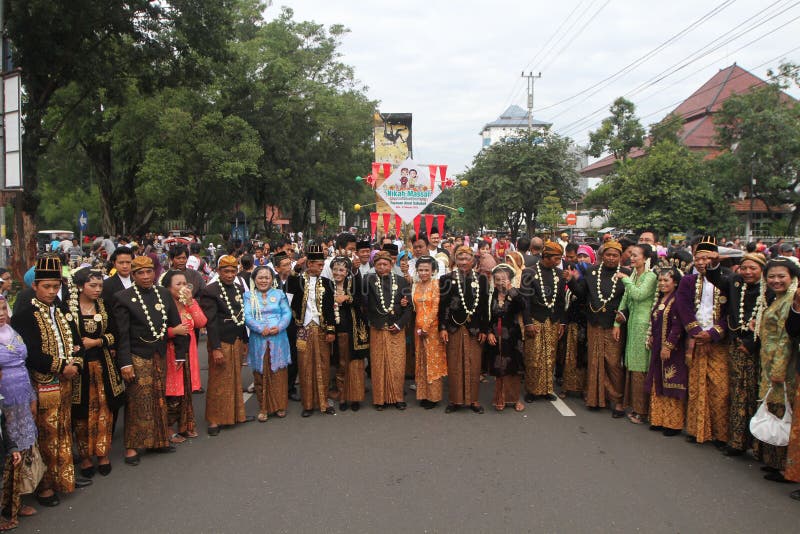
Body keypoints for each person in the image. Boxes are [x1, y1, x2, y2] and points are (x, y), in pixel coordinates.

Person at [11, 255, 89, 506]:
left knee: (64, 430)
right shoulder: (25, 315)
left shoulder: (63, 309)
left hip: (66, 382)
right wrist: (60, 367)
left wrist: (75, 364)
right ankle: (44, 486)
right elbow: (31, 352)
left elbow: (77, 342)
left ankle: (64, 477)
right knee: (45, 435)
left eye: (56, 287)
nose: (52, 291)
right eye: (47, 286)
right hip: (42, 384)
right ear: (34, 287)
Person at [114, 256, 187, 465]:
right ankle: (132, 447)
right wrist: (125, 363)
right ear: (133, 275)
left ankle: (159, 440)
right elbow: (122, 334)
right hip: (137, 356)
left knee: (158, 398)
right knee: (137, 401)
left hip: (159, 355)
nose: (146, 277)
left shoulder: (163, 293)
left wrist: (180, 354)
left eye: (149, 272)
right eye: (140, 273)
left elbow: (177, 324)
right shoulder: (123, 298)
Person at [705, 251, 772, 456]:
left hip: (758, 350)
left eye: (753, 268)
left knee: (754, 395)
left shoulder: (770, 290)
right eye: (745, 268)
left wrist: (752, 343)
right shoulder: (735, 282)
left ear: (762, 270)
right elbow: (715, 278)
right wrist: (714, 265)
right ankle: (737, 442)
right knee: (737, 393)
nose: (748, 272)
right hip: (735, 345)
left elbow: (770, 323)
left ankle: (759, 445)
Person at [68, 268, 125, 478]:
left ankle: (103, 454)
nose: (97, 289)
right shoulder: (68, 309)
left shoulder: (104, 306)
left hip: (102, 366)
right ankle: (84, 458)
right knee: (81, 415)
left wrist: (97, 341)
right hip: (79, 371)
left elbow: (115, 334)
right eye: (92, 285)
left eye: (100, 285)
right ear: (80, 286)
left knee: (104, 411)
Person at [675, 236, 730, 446]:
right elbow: (683, 307)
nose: (701, 262)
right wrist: (696, 331)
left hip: (718, 342)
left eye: (706, 258)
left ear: (715, 259)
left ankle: (720, 434)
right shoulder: (689, 281)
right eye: (698, 258)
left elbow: (730, 310)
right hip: (696, 340)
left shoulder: (727, 278)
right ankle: (697, 429)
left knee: (719, 388)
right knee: (696, 386)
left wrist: (715, 333)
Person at [568, 240, 630, 416]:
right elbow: (581, 293)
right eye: (608, 255)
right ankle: (595, 398)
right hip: (594, 323)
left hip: (614, 325)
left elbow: (630, 299)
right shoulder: (592, 271)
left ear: (620, 257)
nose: (611, 258)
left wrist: (622, 316)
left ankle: (617, 401)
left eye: (615, 255)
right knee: (595, 360)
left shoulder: (626, 274)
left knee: (613, 363)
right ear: (602, 256)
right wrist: (572, 281)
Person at [756, 258, 799, 483]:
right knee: (776, 410)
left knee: (784, 410)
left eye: (781, 276)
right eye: (771, 276)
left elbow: (785, 339)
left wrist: (779, 369)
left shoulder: (791, 300)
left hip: (783, 367)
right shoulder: (778, 298)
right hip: (769, 362)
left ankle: (785, 466)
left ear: (792, 277)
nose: (775, 280)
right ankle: (778, 462)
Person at [201, 255, 253, 434]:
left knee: (235, 378)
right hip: (220, 341)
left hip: (237, 340)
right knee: (218, 380)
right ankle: (214, 420)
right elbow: (211, 322)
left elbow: (242, 317)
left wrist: (245, 341)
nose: (230, 275)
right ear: (218, 271)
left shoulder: (238, 288)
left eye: (233, 271)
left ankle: (236, 415)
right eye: (226, 271)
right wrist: (215, 348)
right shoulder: (210, 290)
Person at [0, 296, 37, 528]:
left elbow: (23, 363)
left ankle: (16, 501)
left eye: (3, 308)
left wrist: (32, 396)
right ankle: (5, 509)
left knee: (21, 450)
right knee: (7, 451)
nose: (1, 313)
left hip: (22, 393)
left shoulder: (11, 332)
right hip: (4, 402)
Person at [287, 245, 337, 417]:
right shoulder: (299, 281)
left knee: (323, 365)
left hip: (321, 328)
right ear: (310, 264)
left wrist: (331, 330)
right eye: (318, 264)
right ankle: (308, 404)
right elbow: (289, 285)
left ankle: (324, 402)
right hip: (303, 328)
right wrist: (296, 268)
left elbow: (330, 308)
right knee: (305, 365)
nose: (321, 268)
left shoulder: (328, 283)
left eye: (322, 265)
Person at [439, 246, 489, 413]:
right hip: (454, 327)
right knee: (454, 364)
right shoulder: (446, 279)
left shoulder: (482, 279)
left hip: (474, 329)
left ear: (472, 260)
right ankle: (455, 401)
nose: (463, 262)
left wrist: (484, 329)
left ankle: (474, 401)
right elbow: (443, 305)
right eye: (460, 259)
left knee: (474, 365)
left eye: (466, 259)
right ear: (455, 260)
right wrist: (443, 327)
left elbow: (483, 306)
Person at [614, 244, 657, 424]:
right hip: (632, 324)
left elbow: (639, 295)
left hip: (644, 325)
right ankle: (633, 405)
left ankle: (642, 410)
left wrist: (625, 280)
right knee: (631, 365)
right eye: (631, 255)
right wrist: (617, 322)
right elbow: (626, 298)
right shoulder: (634, 275)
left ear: (646, 258)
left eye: (636, 255)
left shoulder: (651, 277)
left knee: (641, 367)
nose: (632, 258)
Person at [364, 251, 412, 410]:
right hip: (377, 328)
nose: (382, 267)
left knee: (397, 365)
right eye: (379, 264)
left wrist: (399, 324)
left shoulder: (402, 281)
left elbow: (409, 307)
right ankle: (379, 400)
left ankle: (398, 398)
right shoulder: (368, 280)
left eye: (385, 264)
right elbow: (363, 304)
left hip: (396, 329)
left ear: (391, 265)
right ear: (374, 266)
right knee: (378, 365)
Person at [162, 270, 206, 441]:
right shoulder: (163, 305)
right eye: (178, 284)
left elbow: (202, 322)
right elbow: (155, 332)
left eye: (184, 284)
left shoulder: (188, 303)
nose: (182, 287)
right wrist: (174, 331)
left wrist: (191, 302)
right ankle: (167, 428)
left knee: (186, 390)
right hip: (170, 353)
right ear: (167, 288)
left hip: (190, 352)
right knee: (173, 392)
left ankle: (185, 425)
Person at [243, 266, 292, 421]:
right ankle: (263, 407)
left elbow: (287, 313)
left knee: (279, 374)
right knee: (260, 374)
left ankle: (280, 406)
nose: (264, 280)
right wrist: (259, 328)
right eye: (260, 277)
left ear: (272, 279)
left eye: (267, 277)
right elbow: (247, 315)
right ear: (254, 279)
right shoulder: (248, 296)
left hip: (278, 338)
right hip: (259, 339)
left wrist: (279, 327)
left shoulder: (279, 294)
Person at [520, 241, 566, 402]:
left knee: (550, 355)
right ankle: (532, 390)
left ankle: (547, 389)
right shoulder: (528, 272)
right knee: (534, 355)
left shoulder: (559, 274)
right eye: (556, 258)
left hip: (552, 320)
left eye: (560, 258)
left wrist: (562, 322)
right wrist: (528, 323)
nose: (558, 261)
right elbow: (524, 300)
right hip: (535, 319)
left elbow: (561, 301)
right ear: (546, 256)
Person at [645, 265, 688, 436]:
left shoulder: (677, 300)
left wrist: (668, 345)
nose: (662, 283)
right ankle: (657, 419)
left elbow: (678, 326)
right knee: (658, 381)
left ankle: (673, 424)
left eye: (666, 280)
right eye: (660, 280)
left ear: (675, 282)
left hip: (672, 350)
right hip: (657, 348)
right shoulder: (661, 300)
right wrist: (651, 337)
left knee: (672, 382)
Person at [486, 264, 528, 412]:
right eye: (497, 279)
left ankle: (514, 399)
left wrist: (510, 290)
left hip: (512, 337)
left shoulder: (515, 293)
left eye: (503, 279)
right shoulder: (491, 295)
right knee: (499, 369)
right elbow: (488, 317)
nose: (499, 282)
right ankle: (500, 399)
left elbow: (523, 305)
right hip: (496, 337)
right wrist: (489, 332)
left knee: (514, 368)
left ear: (510, 279)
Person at [330, 257, 368, 412]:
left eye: (341, 270)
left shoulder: (353, 283)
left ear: (347, 272)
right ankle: (343, 395)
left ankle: (356, 398)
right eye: (335, 269)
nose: (338, 273)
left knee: (355, 365)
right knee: (341, 364)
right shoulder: (327, 285)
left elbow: (361, 299)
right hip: (337, 332)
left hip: (354, 330)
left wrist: (347, 297)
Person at [412, 256, 447, 409]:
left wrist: (426, 327)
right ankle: (423, 394)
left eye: (427, 270)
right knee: (421, 360)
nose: (423, 272)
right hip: (418, 328)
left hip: (432, 329)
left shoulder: (436, 285)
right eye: (421, 270)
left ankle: (433, 397)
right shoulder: (417, 285)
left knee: (433, 361)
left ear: (433, 271)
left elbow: (435, 308)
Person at [271, 251, 300, 402]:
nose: (288, 267)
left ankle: (290, 387)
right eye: (284, 265)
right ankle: (276, 387)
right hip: (275, 324)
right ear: (277, 268)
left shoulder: (295, 280)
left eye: (289, 264)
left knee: (293, 355)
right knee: (275, 355)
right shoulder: (270, 281)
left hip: (292, 324)